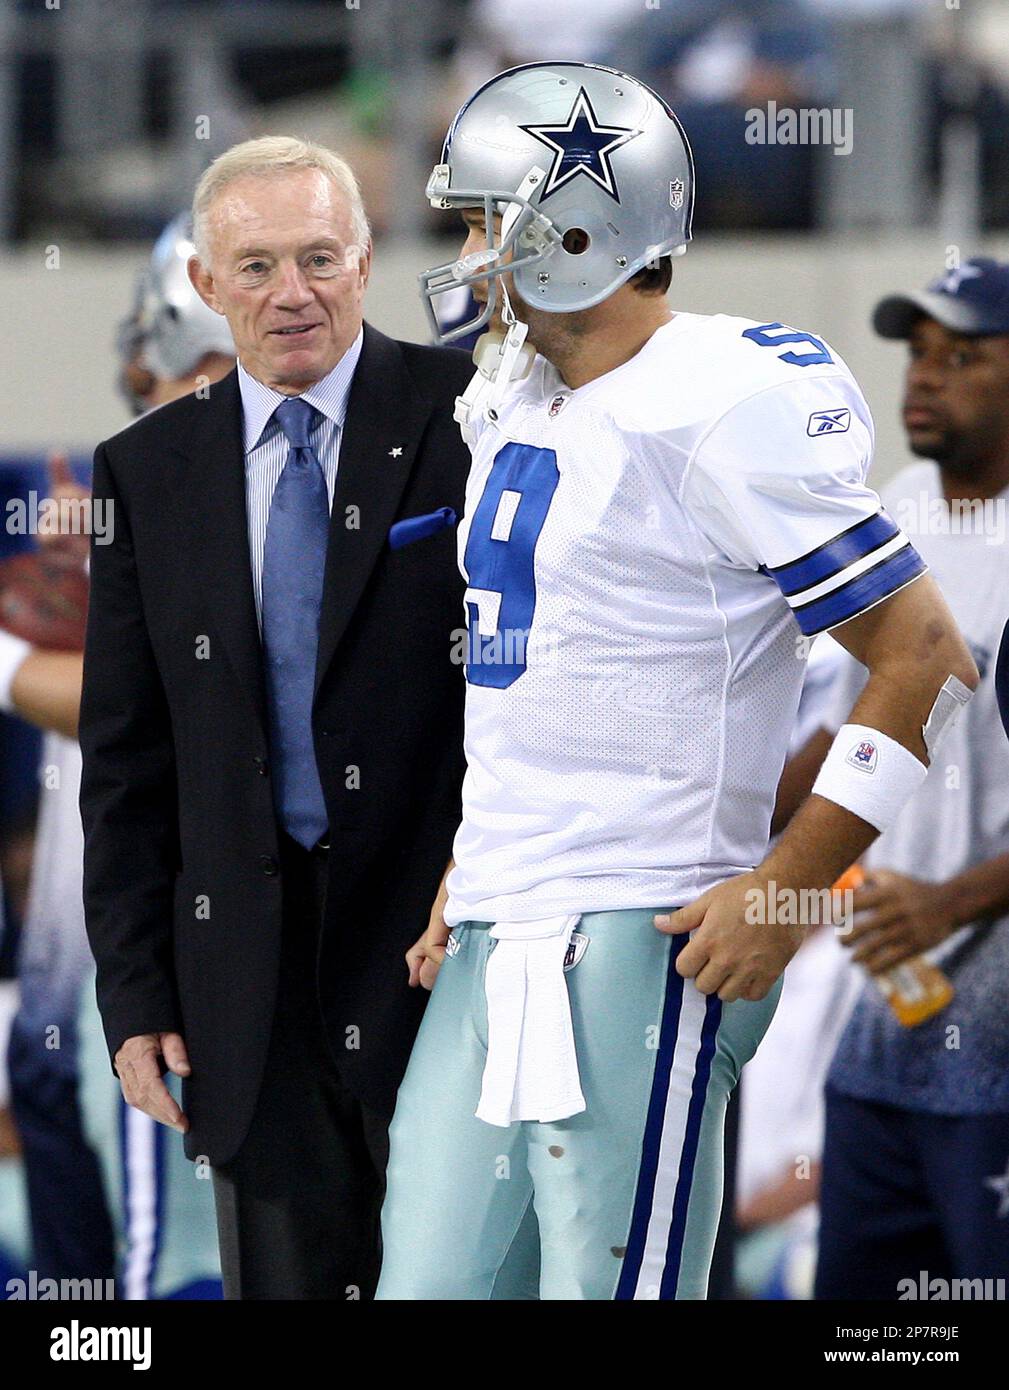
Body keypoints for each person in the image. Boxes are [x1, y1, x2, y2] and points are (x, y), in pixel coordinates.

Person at [375, 60, 977, 1301]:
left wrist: (786, 884)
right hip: (500, 913)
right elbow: (546, 669)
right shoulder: (518, 392)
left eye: (491, 218)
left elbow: (925, 659)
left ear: (578, 229)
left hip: (642, 924)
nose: (473, 250)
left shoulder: (722, 398)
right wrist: (473, 858)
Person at [78, 137, 473, 1300]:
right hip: (243, 981)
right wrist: (136, 996)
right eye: (254, 267)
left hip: (441, 958)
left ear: (363, 262)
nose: (290, 293)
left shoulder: (475, 419)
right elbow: (127, 761)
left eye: (318, 258)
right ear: (204, 284)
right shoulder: (144, 471)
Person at [0, 214, 236, 1297]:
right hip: (91, 958)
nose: (139, 390)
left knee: (164, 1271)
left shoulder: (278, 502)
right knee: (80, 1290)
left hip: (174, 961)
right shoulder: (150, 495)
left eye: (160, 369)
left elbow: (149, 707)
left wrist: (7, 656)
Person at [801, 259, 1009, 1300]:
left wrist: (946, 902)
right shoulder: (895, 511)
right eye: (917, 355)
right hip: (892, 1002)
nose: (923, 379)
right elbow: (844, 729)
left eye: (962, 356)